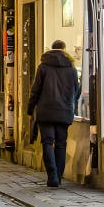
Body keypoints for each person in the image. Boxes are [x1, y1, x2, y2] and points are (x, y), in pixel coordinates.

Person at [27, 40, 81, 187]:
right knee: (61, 144)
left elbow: (35, 91)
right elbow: (77, 90)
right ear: (64, 50)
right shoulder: (71, 69)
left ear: (51, 50)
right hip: (64, 112)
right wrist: (71, 104)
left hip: (46, 112)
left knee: (47, 143)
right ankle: (59, 176)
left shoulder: (43, 67)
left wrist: (30, 109)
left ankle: (52, 177)